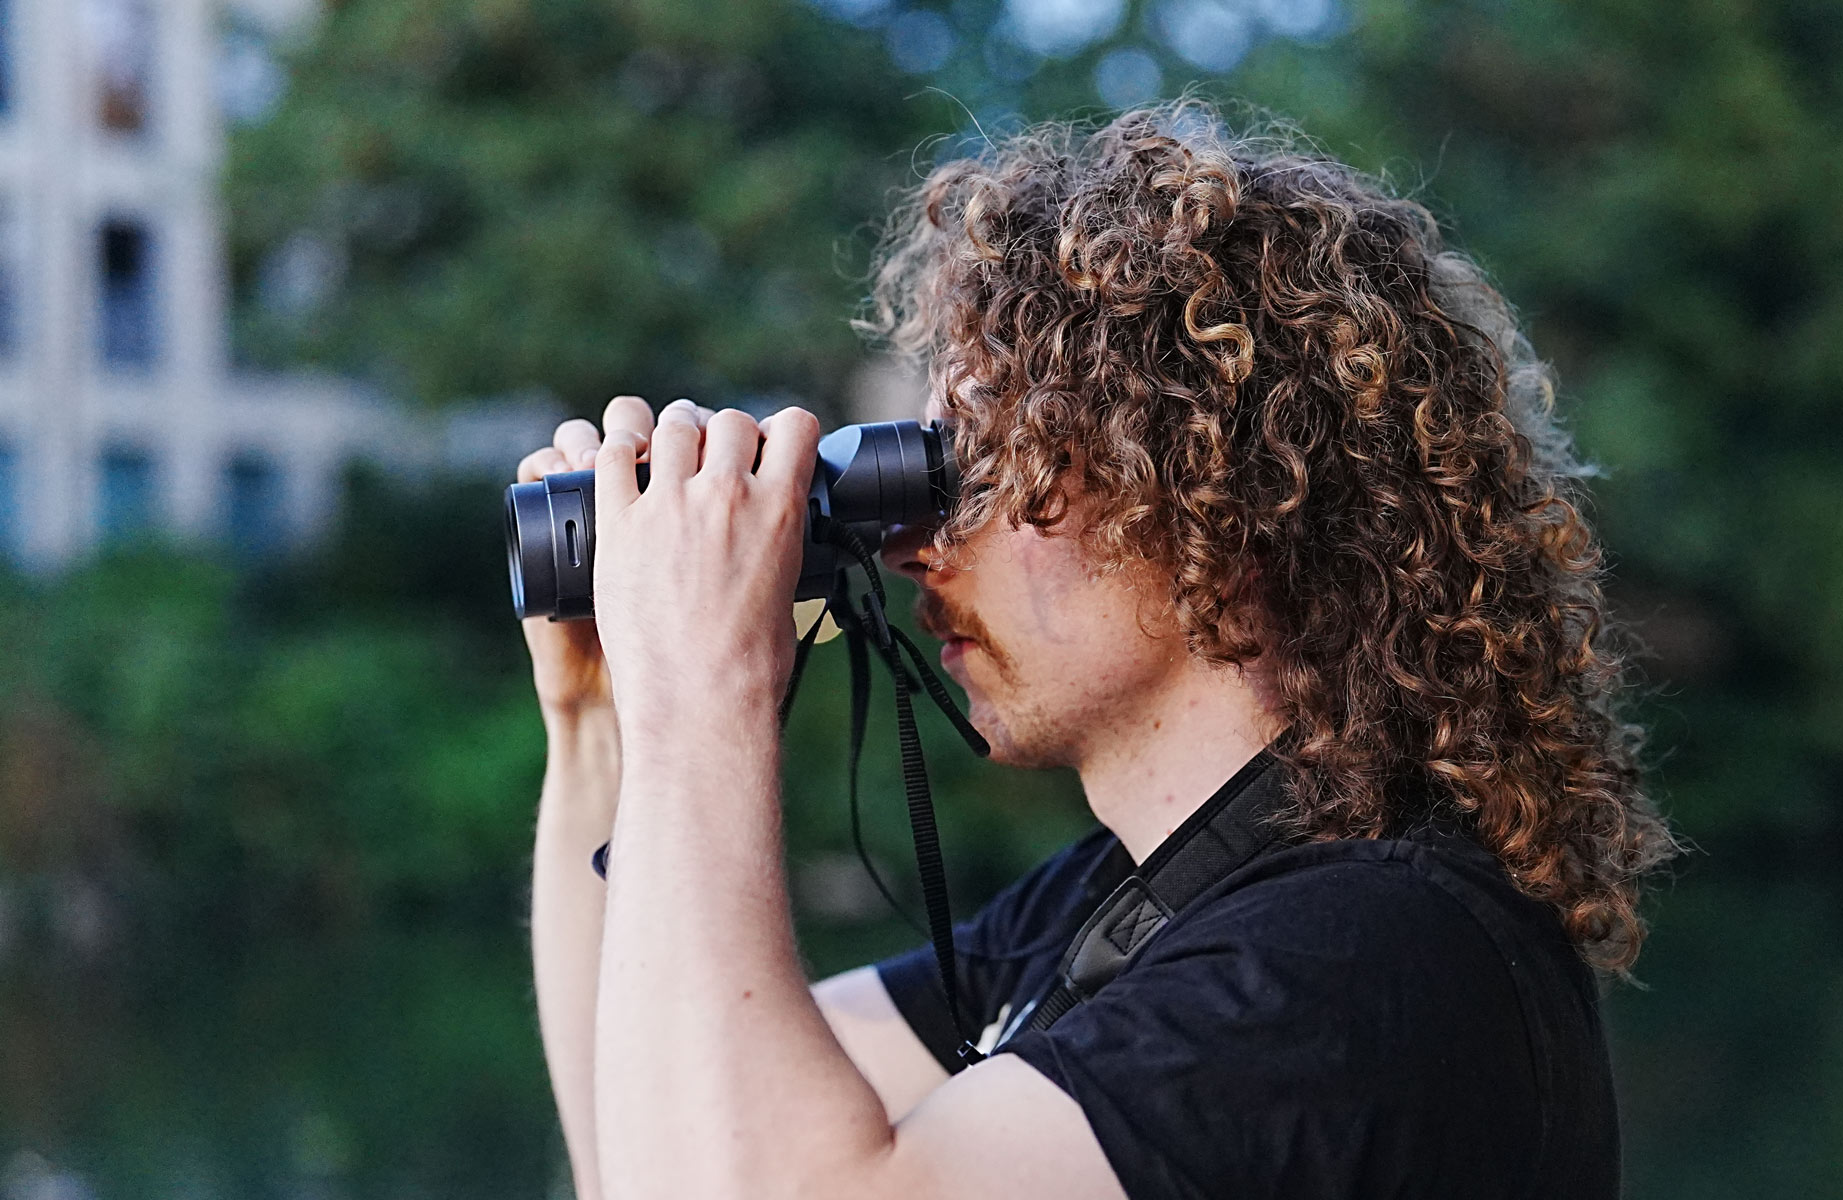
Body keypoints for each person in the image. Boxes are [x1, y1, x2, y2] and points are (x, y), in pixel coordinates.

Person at [514, 103, 1678, 1200]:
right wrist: (605, 730)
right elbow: (655, 1151)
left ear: (1218, 506)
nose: (919, 548)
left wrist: (706, 696)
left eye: (979, 471)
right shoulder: (1117, 906)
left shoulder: (1366, 960)